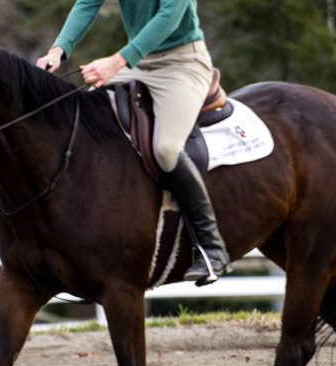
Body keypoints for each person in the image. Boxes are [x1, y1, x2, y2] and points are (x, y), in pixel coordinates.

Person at [37, 0, 231, 285]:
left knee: (166, 149)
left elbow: (169, 16)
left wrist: (115, 62)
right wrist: (58, 49)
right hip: (137, 62)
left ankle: (212, 247)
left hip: (182, 63)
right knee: (86, 125)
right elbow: (88, 3)